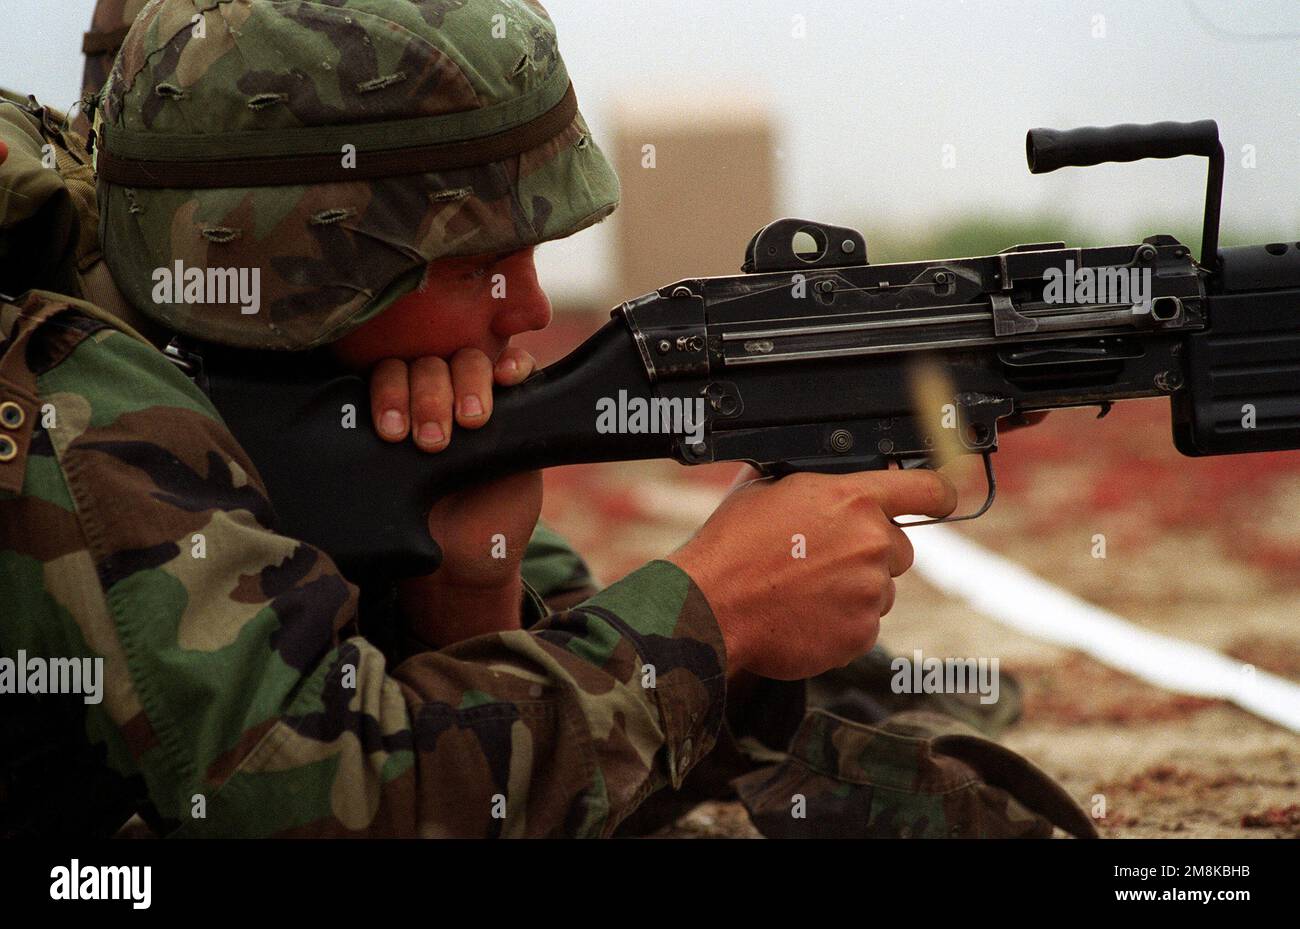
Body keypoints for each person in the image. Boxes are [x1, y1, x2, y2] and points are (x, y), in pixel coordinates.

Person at [0, 0, 969, 838]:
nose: (532, 308)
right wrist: (715, 608)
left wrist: (469, 589)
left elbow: (543, 793)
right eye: (476, 268)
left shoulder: (278, 391)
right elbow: (340, 807)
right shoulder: (85, 407)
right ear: (300, 280)